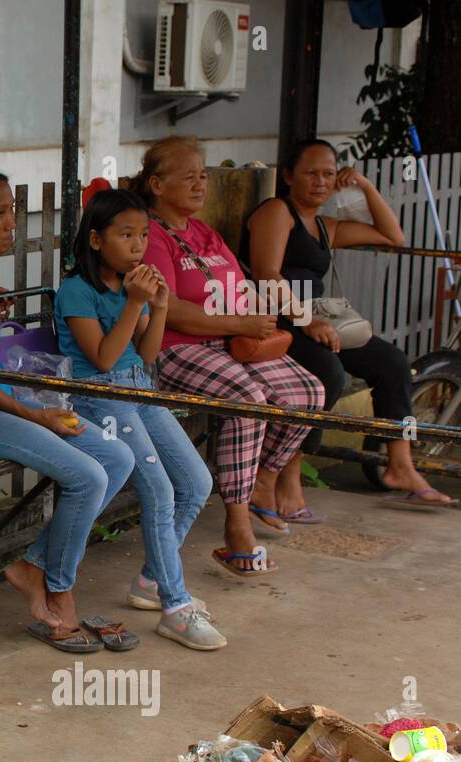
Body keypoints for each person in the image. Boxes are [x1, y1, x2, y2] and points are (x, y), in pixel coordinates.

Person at [0, 166, 135, 651]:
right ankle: (59, 591)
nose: (12, 221)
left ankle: (32, 566)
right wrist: (34, 414)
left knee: (118, 458)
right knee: (90, 476)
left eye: (12, 209)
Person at [135, 136, 325, 576]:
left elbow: (239, 286)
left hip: (227, 342)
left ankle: (263, 480)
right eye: (189, 177)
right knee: (246, 399)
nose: (201, 184)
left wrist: (262, 310)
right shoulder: (151, 235)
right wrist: (239, 324)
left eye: (203, 175)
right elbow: (169, 309)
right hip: (176, 349)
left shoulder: (205, 233)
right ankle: (237, 524)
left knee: (307, 392)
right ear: (158, 185)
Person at [241, 137, 457, 512]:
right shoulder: (278, 211)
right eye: (310, 173)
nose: (321, 182)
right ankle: (290, 474)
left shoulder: (325, 226)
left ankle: (400, 466)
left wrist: (364, 184)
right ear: (289, 176)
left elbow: (394, 236)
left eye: (328, 174)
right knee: (327, 372)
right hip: (275, 317)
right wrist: (307, 320)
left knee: (391, 361)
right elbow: (266, 274)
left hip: (314, 319)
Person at [55, 188, 224, 649]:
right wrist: (134, 304)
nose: (137, 245)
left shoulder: (133, 287)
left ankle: (151, 579)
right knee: (161, 490)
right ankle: (175, 605)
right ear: (95, 240)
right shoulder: (76, 291)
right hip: (99, 400)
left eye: (143, 235)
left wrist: (161, 306)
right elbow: (105, 361)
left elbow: (145, 358)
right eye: (125, 234)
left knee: (197, 483)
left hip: (139, 391)